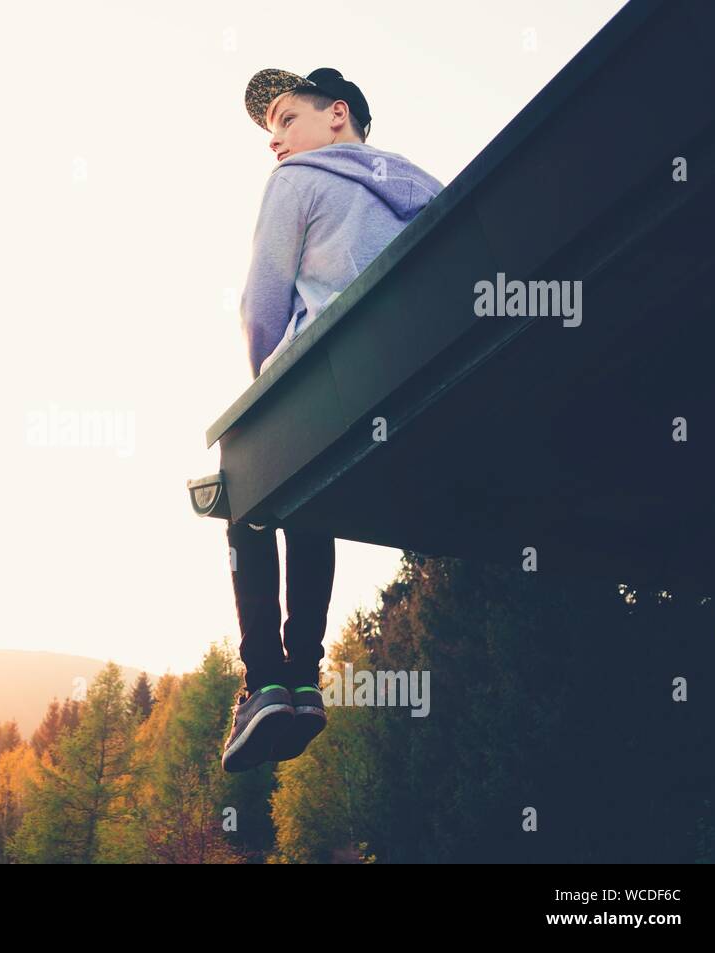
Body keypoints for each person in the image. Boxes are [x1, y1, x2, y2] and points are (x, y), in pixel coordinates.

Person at [221, 67, 444, 773]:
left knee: (246, 475)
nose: (276, 141)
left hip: (338, 388)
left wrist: (265, 384)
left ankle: (272, 680)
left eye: (286, 119)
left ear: (337, 115)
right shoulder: (423, 188)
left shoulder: (298, 182)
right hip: (422, 390)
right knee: (303, 485)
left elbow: (261, 309)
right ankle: (305, 678)